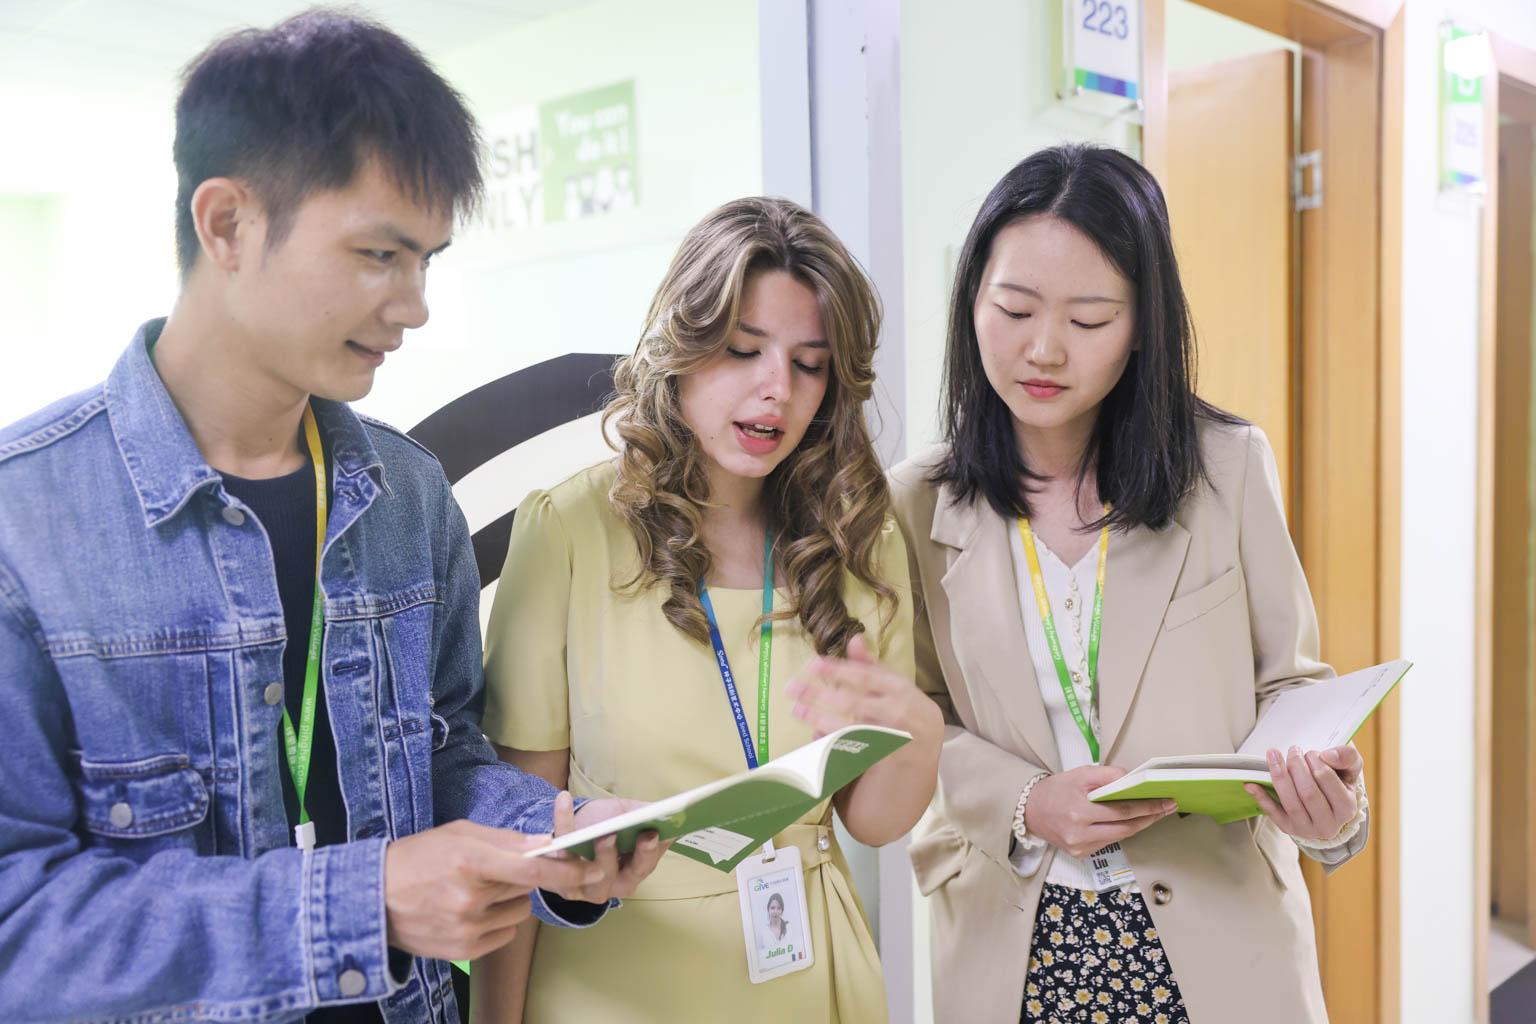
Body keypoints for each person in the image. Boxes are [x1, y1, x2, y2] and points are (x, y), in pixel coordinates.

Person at [0, 11, 663, 1022]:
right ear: (227, 224)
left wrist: (552, 831)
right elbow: (20, 925)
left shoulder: (408, 494)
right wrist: (359, 903)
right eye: (377, 254)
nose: (414, 304)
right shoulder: (25, 521)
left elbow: (441, 751)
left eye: (427, 259)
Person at [889, 145, 1370, 1024]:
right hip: (1014, 940)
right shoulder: (916, 501)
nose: (1044, 349)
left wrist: (1325, 804)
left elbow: (1292, 686)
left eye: (1090, 319)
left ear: (1143, 324)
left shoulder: (1227, 468)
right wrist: (1027, 801)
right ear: (972, 304)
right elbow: (913, 718)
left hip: (1217, 942)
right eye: (1015, 309)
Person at [470, 196, 943, 1023]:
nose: (776, 391)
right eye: (742, 351)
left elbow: (872, 822)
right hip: (615, 985)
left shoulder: (856, 540)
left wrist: (918, 728)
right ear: (681, 349)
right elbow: (523, 832)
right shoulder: (570, 531)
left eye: (810, 364)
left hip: (810, 976)